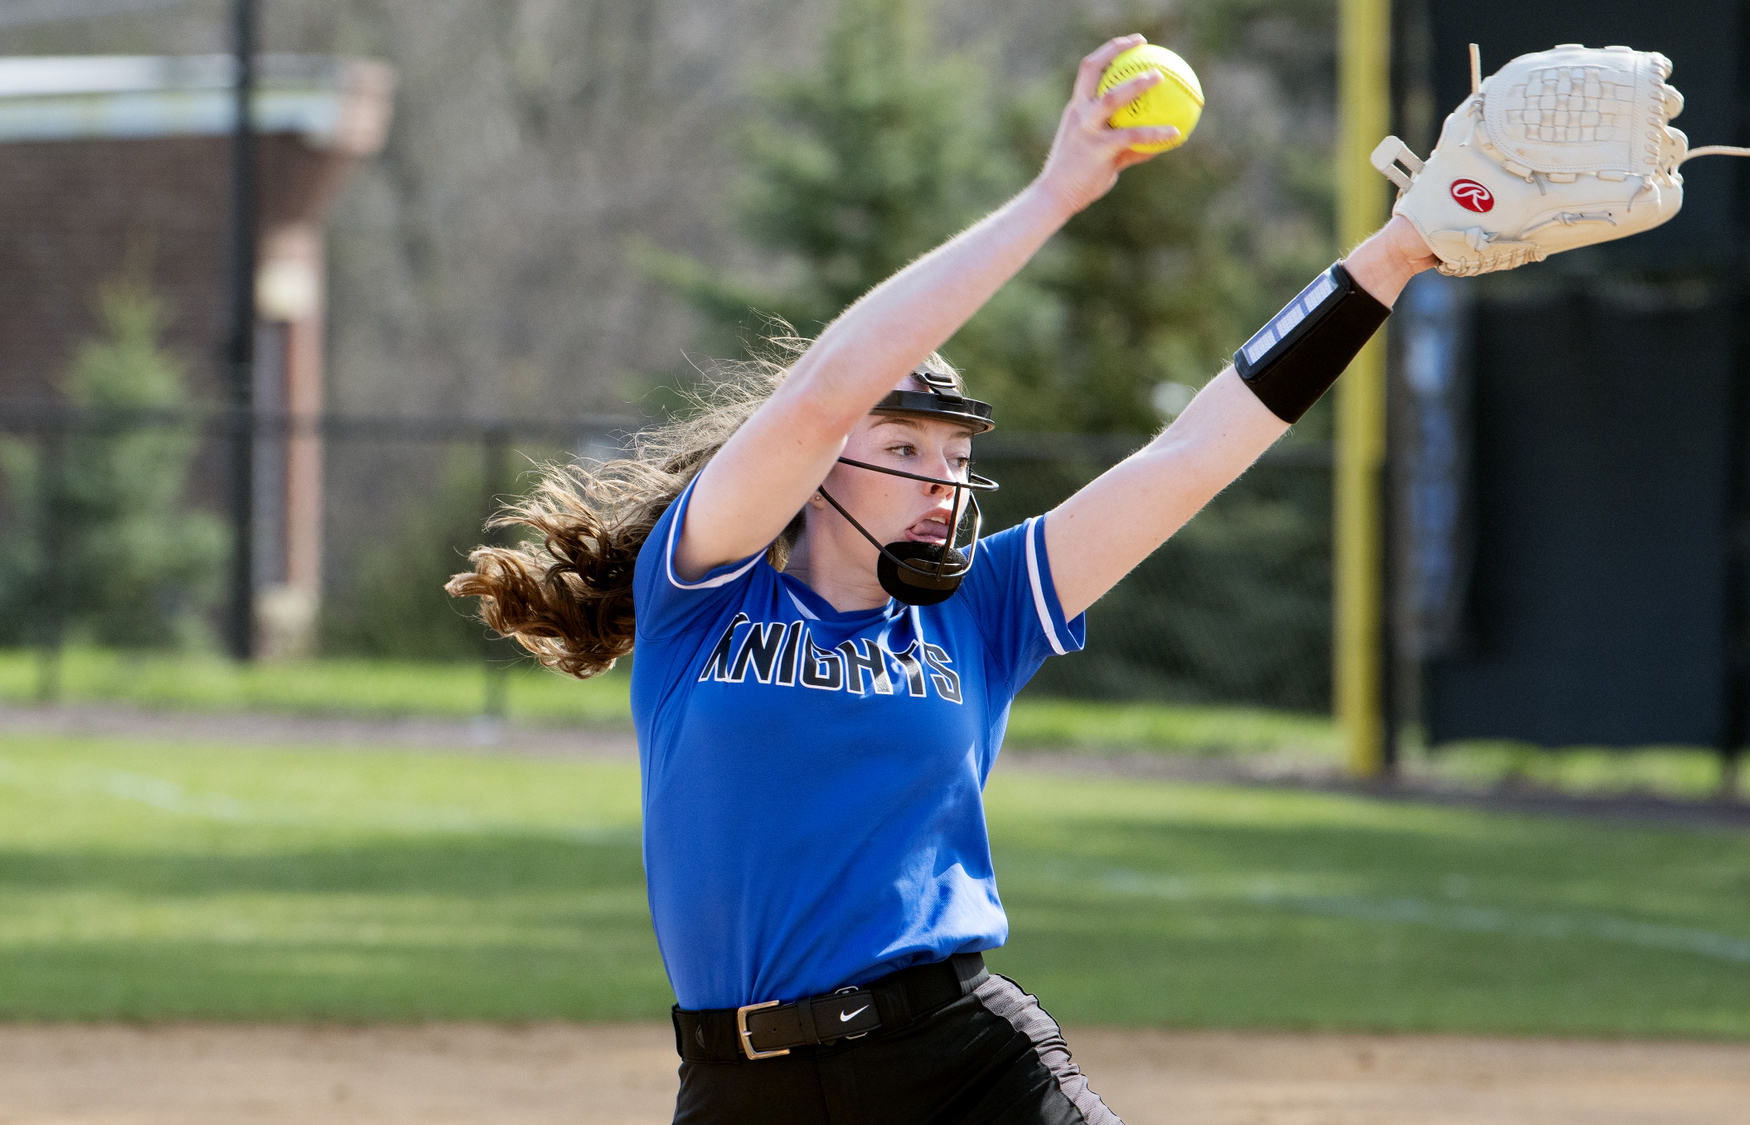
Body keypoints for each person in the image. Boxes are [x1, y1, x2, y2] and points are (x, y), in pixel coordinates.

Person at [449, 34, 1437, 1125]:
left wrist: (1387, 258)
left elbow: (1192, 452)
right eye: (906, 448)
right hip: (742, 1092)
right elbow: (825, 392)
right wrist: (1055, 196)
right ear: (818, 467)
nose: (939, 479)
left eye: (957, 458)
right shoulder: (707, 589)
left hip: (965, 1066)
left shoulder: (984, 609)